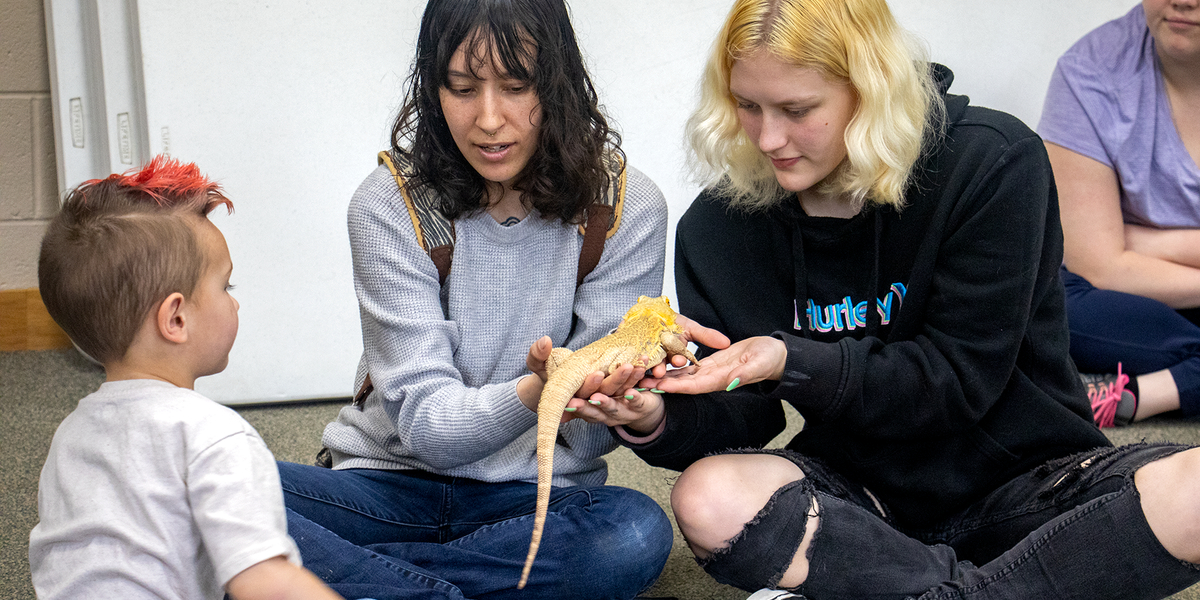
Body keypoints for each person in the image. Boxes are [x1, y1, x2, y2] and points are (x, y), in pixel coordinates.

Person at [602, 0, 1200, 598]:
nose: (769, 137)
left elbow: (957, 381)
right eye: (748, 106)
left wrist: (793, 360)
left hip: (1032, 486)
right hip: (861, 507)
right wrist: (656, 417)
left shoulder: (991, 160)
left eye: (797, 109)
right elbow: (744, 415)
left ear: (871, 90)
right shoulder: (719, 225)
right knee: (708, 495)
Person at [274, 1, 673, 598]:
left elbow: (588, 438)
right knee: (211, 485)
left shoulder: (624, 208)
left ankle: (360, 579)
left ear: (559, 84)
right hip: (387, 485)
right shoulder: (387, 204)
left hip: (534, 497)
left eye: (517, 87)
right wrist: (541, 388)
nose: (489, 120)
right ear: (433, 91)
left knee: (633, 533)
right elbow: (428, 429)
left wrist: (629, 406)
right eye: (462, 88)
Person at [28, 156, 341, 600]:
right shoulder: (215, 435)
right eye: (225, 287)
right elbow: (265, 582)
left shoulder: (71, 437)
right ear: (175, 318)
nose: (234, 304)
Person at [1039, 0, 1200, 428]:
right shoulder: (1088, 71)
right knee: (1046, 296)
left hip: (1150, 273)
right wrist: (1114, 251)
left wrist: (1131, 239)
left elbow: (1109, 251)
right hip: (1127, 292)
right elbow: (1098, 265)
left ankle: (1137, 397)